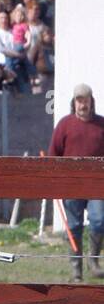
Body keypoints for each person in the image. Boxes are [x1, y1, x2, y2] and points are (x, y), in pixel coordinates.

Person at [49, 85, 104, 279]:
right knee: (73, 227)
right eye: (79, 100)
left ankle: (93, 262)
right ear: (74, 103)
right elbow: (53, 154)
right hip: (71, 186)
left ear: (91, 101)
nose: (83, 104)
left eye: (86, 100)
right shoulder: (65, 124)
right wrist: (53, 179)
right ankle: (76, 270)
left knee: (99, 221)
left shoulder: (101, 125)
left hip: (97, 186)